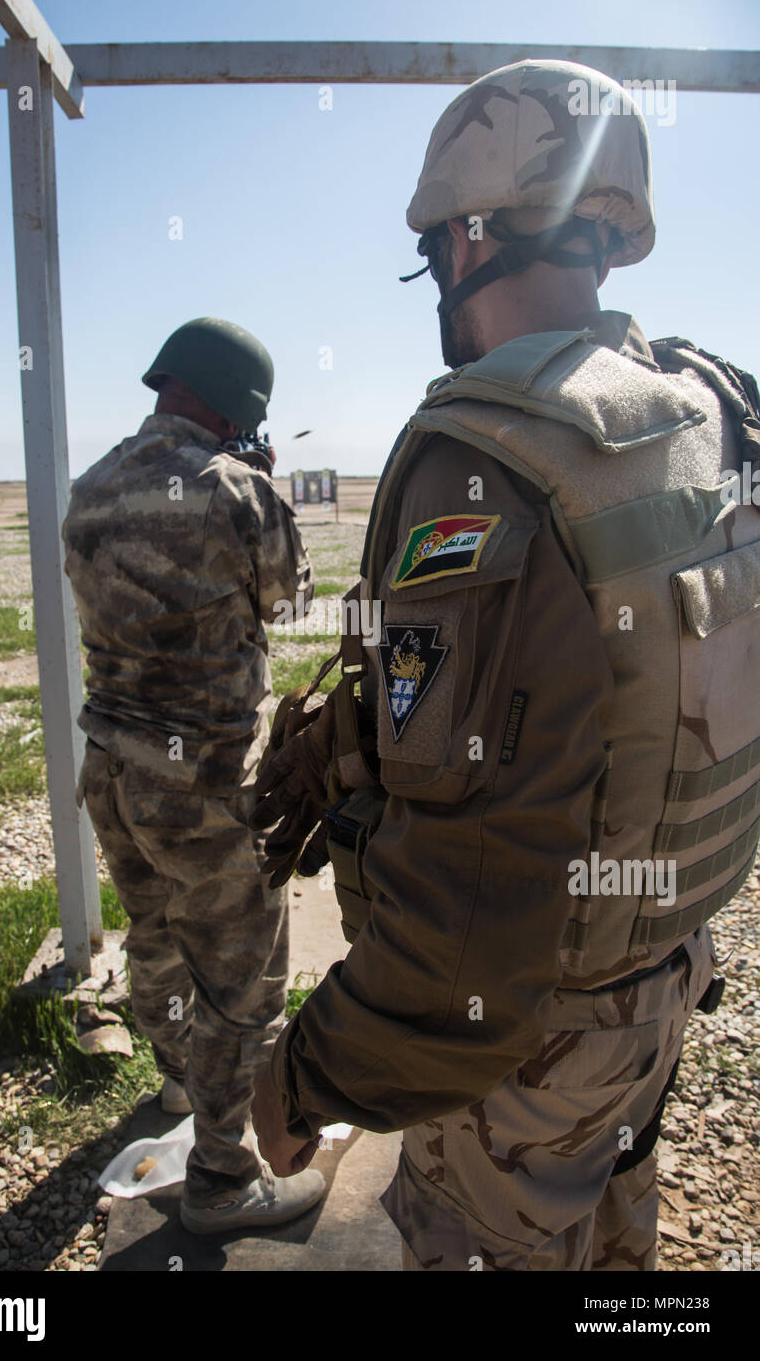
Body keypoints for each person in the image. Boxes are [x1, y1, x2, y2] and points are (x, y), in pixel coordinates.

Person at [250, 62, 760, 1269]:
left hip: (522, 1050)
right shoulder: (717, 406)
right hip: (655, 986)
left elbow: (468, 925)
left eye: (434, 248)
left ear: (465, 238)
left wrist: (305, 1076)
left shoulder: (481, 460)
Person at [62, 317, 326, 1232]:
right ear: (239, 403)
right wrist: (263, 485)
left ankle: (180, 1082)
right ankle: (223, 1178)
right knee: (242, 984)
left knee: (157, 935)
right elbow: (288, 595)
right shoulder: (234, 492)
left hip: (112, 770)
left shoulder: (89, 487)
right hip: (204, 785)